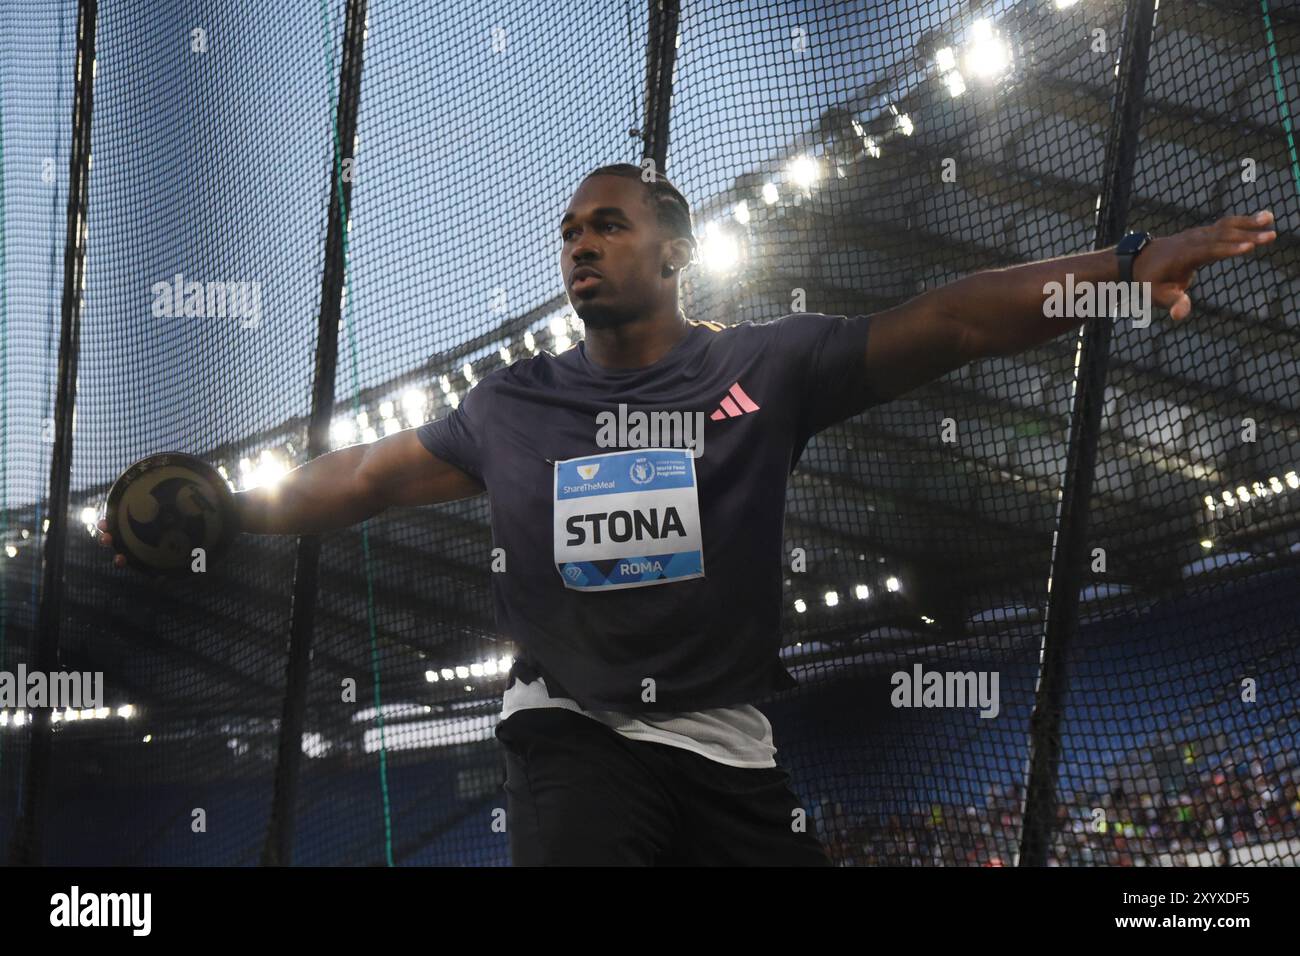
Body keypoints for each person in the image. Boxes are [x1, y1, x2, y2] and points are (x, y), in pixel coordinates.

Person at [99, 163, 1275, 865]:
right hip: (576, 731)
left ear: (673, 251)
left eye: (605, 226)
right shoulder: (512, 405)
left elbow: (953, 319)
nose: (580, 246)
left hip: (728, 741)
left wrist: (1122, 267)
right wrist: (228, 510)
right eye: (567, 232)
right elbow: (358, 480)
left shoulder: (763, 369)